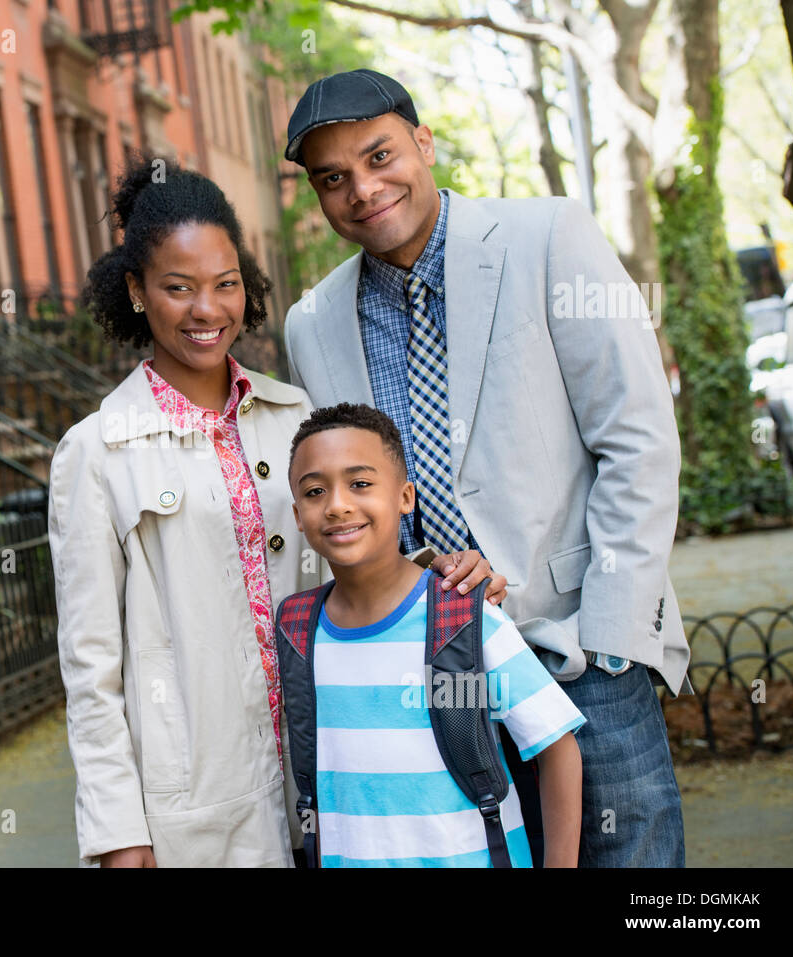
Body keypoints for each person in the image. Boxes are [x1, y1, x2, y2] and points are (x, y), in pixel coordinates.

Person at [281, 69, 690, 867]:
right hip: (436, 670)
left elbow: (637, 437)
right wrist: (438, 572)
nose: (363, 189)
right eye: (334, 179)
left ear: (423, 143)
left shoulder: (548, 238)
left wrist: (609, 639)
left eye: (379, 156)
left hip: (581, 649)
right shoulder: (312, 323)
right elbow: (373, 497)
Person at [47, 157, 505, 867]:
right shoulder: (96, 452)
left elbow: (345, 561)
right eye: (178, 288)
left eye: (226, 284)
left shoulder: (291, 413)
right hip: (200, 806)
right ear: (137, 291)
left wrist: (430, 574)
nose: (208, 310)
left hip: (336, 770)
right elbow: (90, 665)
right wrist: (117, 831)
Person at [277, 402, 586, 867]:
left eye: (360, 484)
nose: (338, 504)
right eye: (316, 491)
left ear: (405, 497)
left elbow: (556, 747)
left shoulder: (459, 621)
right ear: (299, 516)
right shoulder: (299, 630)